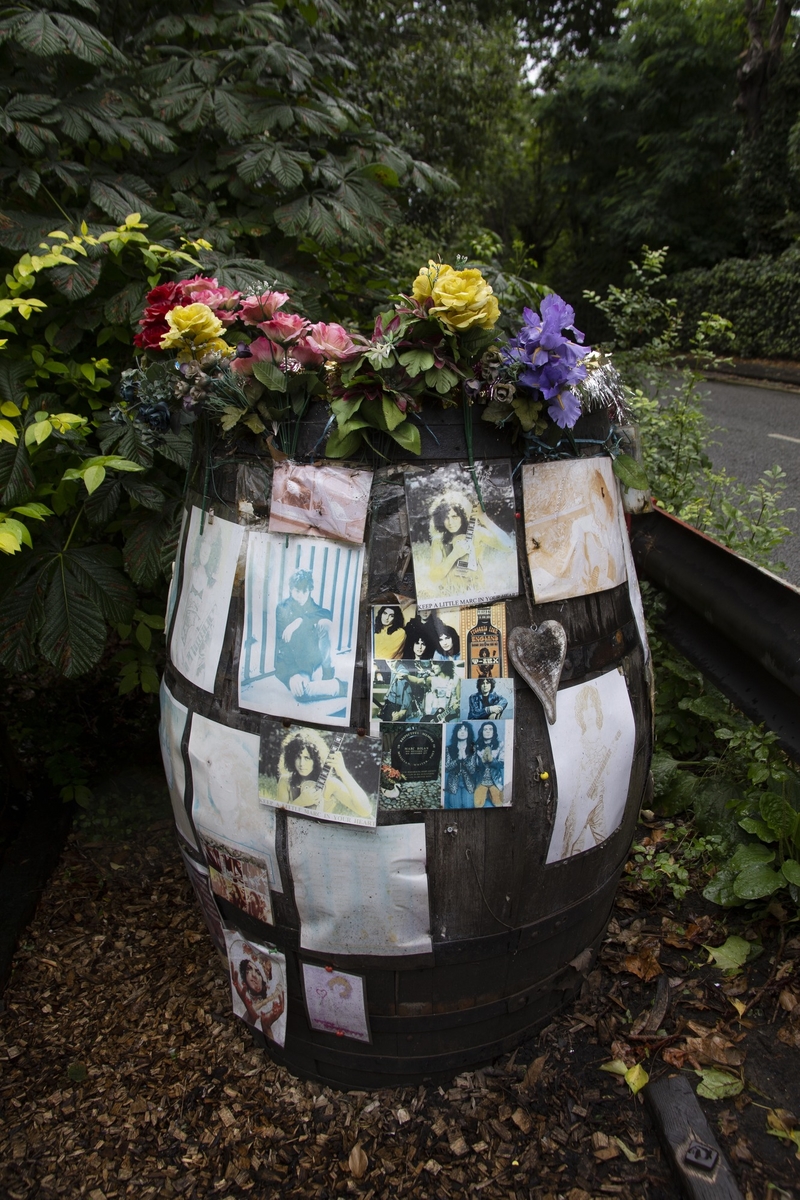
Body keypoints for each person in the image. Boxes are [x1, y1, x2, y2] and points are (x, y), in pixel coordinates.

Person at [275, 729, 372, 818]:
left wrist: (343, 772)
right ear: (291, 757)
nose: (302, 764)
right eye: (298, 757)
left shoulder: (330, 784)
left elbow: (365, 811)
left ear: (316, 759)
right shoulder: (285, 781)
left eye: (307, 758)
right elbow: (280, 817)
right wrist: (300, 802)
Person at [274, 569, 339, 700]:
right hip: (296, 664)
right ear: (291, 590)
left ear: (309, 590)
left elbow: (327, 614)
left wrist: (299, 621)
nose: (301, 596)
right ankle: (341, 687)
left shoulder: (311, 605)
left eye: (305, 591)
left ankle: (328, 674)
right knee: (302, 693)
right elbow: (282, 645)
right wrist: (292, 675)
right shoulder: (282, 608)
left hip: (313, 660)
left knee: (325, 623)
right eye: (297, 591)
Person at [428, 492, 513, 585]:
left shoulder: (476, 533)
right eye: (446, 518)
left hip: (475, 588)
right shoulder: (438, 541)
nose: (450, 522)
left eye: (454, 516)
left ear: (462, 516)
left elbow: (508, 546)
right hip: (451, 590)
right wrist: (454, 555)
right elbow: (433, 577)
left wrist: (485, 520)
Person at [232, 955, 285, 1039]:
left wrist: (266, 1026)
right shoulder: (249, 1002)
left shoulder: (275, 1002)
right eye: (248, 970)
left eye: (258, 972)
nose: (253, 975)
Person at [443, 721, 476, 809]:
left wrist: (464, 758)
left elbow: (472, 770)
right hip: (453, 783)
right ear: (456, 732)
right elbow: (446, 768)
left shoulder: (473, 748)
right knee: (454, 807)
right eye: (459, 730)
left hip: (468, 783)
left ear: (468, 733)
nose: (462, 732)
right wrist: (457, 760)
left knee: (468, 806)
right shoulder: (449, 748)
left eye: (465, 730)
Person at [473, 720, 504, 808]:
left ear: (494, 732)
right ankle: (485, 793)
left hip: (496, 781)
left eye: (490, 729)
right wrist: (481, 761)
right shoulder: (476, 746)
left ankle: (491, 793)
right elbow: (473, 766)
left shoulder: (500, 744)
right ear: (481, 732)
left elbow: (502, 764)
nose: (487, 731)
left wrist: (492, 760)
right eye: (485, 729)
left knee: (499, 803)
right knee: (477, 804)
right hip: (481, 781)